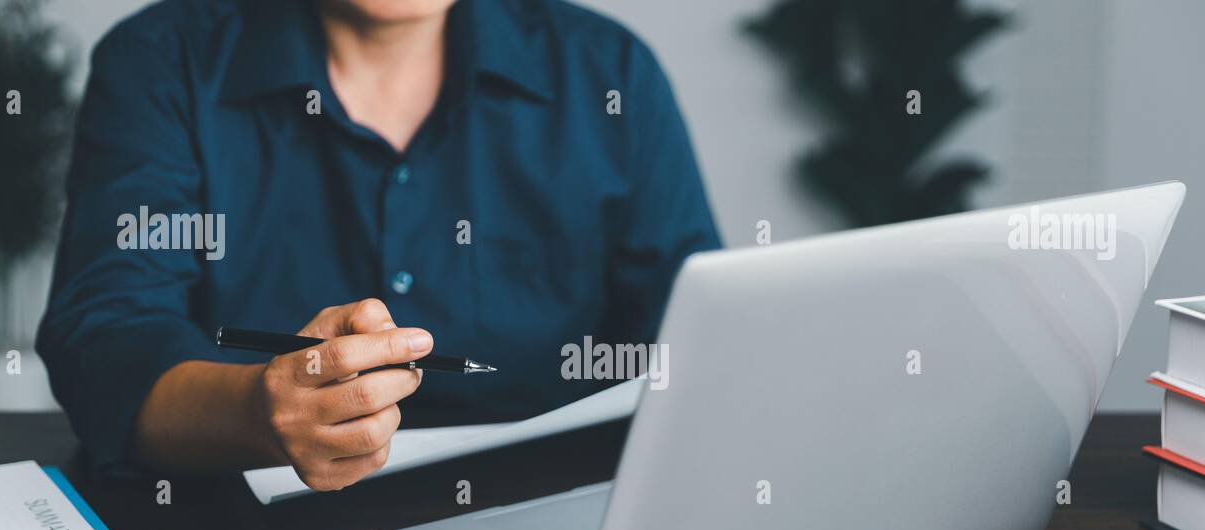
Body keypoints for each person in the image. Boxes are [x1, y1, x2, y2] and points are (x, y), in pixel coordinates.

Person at [37, 0, 719, 491]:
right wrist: (258, 409)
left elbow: (700, 346)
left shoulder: (609, 73)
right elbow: (107, 343)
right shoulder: (162, 61)